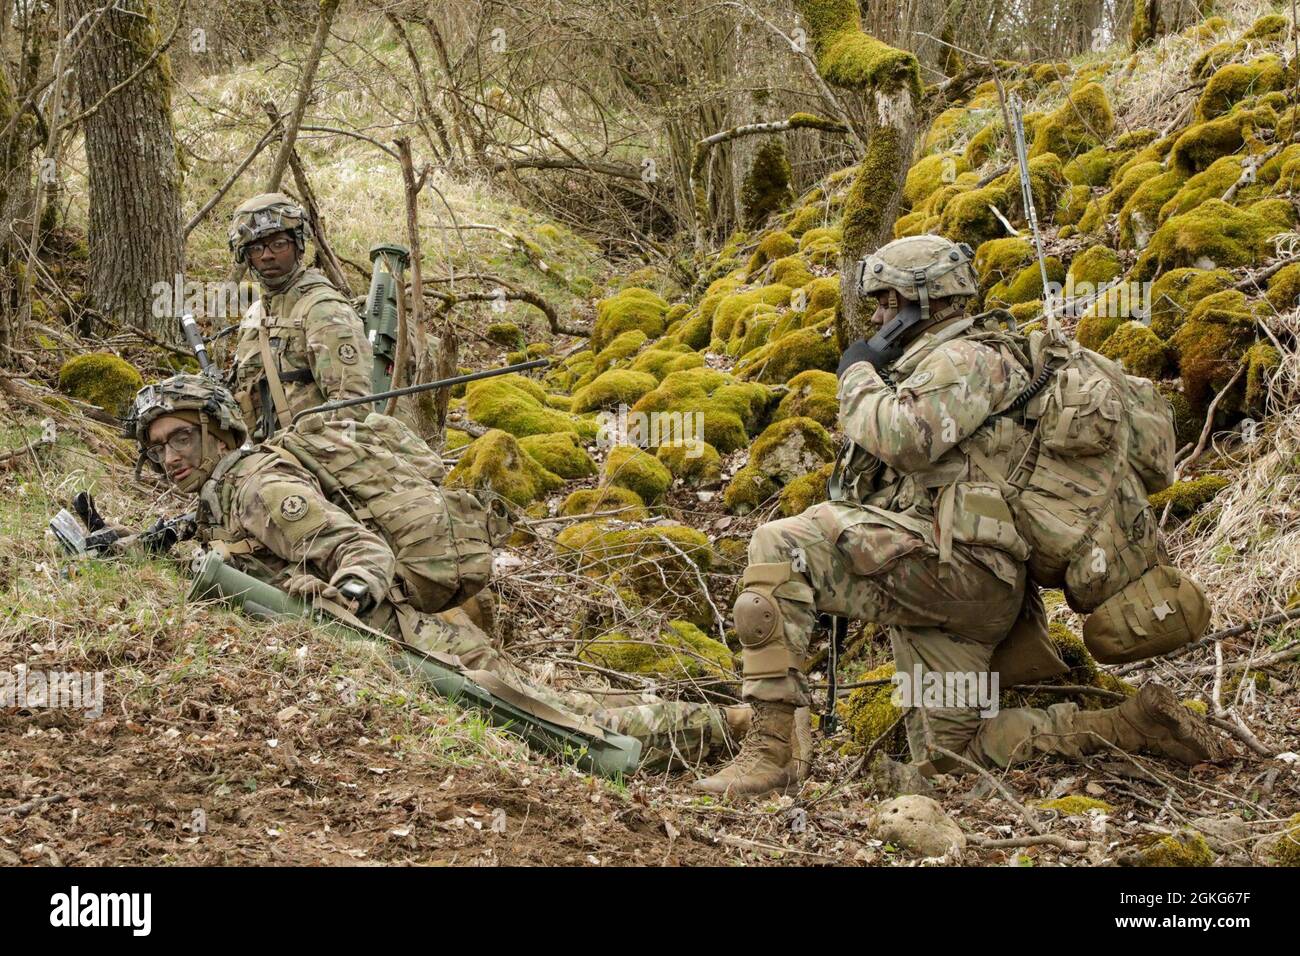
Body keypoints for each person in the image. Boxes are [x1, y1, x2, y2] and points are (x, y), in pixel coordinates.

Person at [695, 235, 1224, 797]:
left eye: (887, 303)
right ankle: (1129, 726)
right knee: (953, 755)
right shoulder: (973, 359)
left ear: (925, 302)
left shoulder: (966, 358)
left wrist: (855, 373)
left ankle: (770, 755)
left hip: (950, 569)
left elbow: (904, 438)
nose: (877, 316)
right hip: (966, 594)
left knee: (780, 546)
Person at [125, 373, 749, 772]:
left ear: (217, 430)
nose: (171, 457)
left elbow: (360, 551)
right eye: (158, 447)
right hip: (411, 629)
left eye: (182, 438)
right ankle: (724, 711)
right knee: (554, 700)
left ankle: (736, 726)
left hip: (408, 635)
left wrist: (342, 597)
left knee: (565, 722)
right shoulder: (224, 494)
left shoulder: (258, 484)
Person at [226, 192, 374, 440]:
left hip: (313, 454)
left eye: (279, 244)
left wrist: (294, 446)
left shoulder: (323, 310)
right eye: (256, 248)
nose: (267, 255)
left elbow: (353, 408)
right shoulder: (255, 314)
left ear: (298, 244)